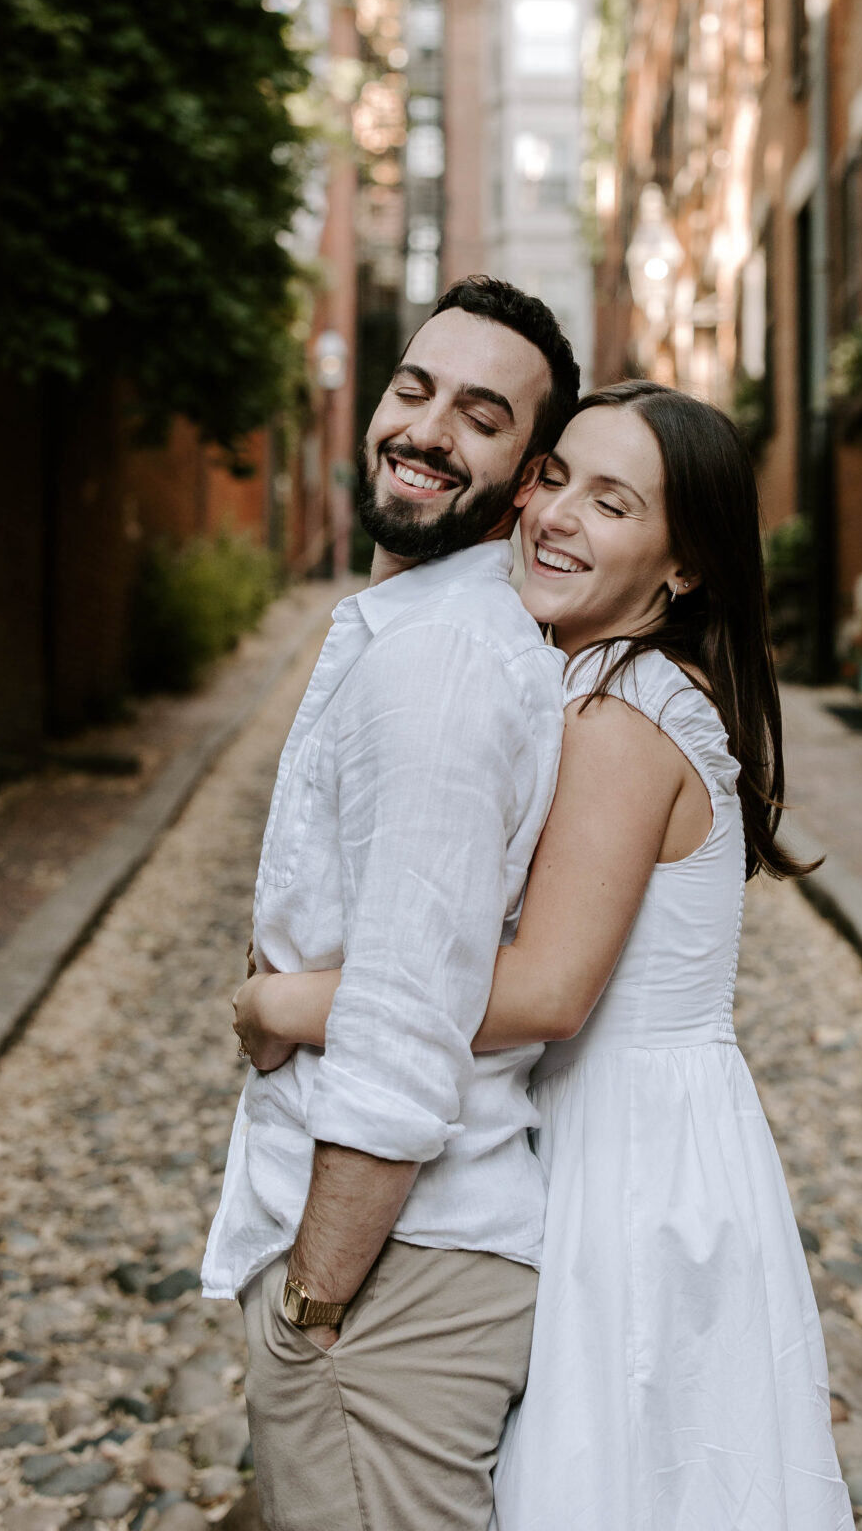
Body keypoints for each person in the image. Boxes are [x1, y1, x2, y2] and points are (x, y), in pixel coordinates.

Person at [236, 380, 855, 1531]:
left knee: (613, 1476)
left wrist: (288, 1001)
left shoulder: (619, 710)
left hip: (626, 1151)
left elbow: (547, 988)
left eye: (612, 502)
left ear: (684, 568)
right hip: (645, 1129)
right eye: (555, 476)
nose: (556, 515)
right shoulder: (585, 674)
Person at [201, 275, 580, 1531]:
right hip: (396, 1272)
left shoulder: (439, 661)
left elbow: (411, 1028)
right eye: (414, 389)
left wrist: (312, 1310)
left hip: (392, 1287)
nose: (425, 429)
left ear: (529, 476)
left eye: (482, 414)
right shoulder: (406, 627)